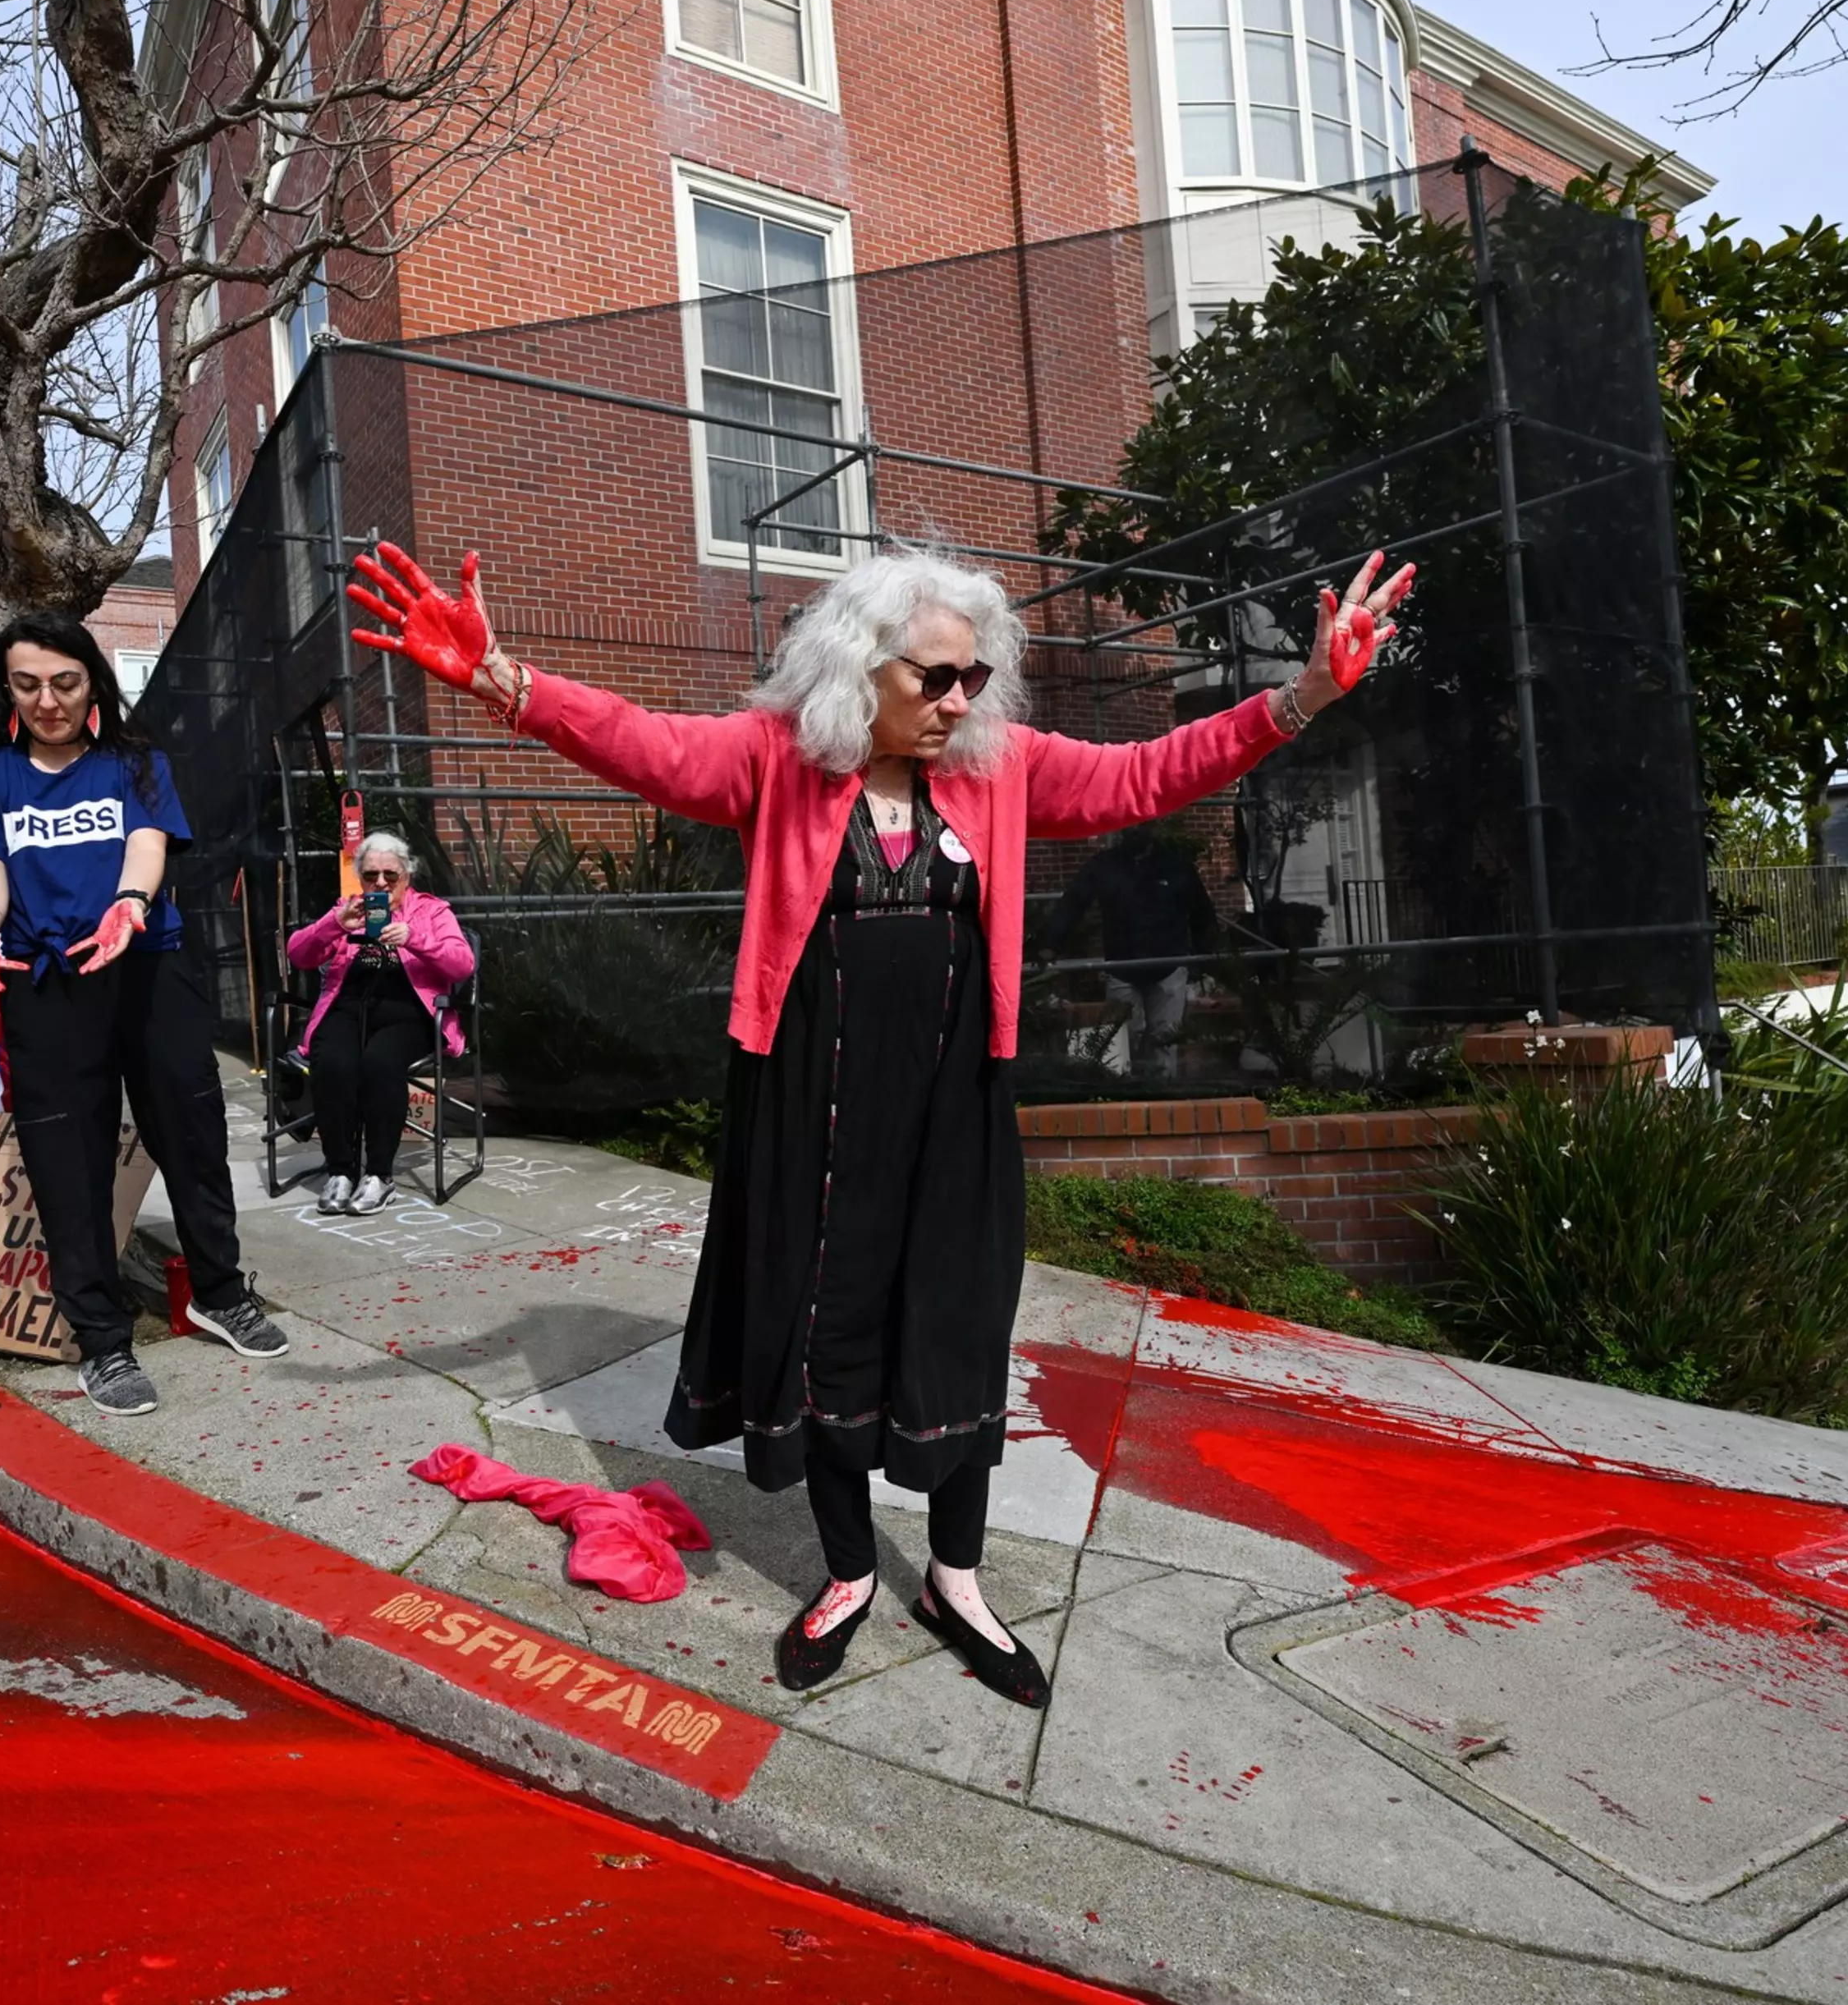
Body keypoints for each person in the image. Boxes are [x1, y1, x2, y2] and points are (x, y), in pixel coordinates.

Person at [349, 539, 1405, 1703]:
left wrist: (1300, 694)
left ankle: (956, 1581)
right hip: (814, 1106)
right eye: (935, 678)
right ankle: (848, 1571)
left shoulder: (1001, 772)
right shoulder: (780, 760)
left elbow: (1147, 775)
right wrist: (505, 676)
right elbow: (644, 743)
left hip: (954, 1111)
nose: (962, 699)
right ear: (863, 673)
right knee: (828, 1331)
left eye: (974, 676)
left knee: (957, 1327)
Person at [0, 612, 287, 1419]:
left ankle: (217, 1293)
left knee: (191, 1134)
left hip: (150, 966)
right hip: (47, 983)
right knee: (68, 1160)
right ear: (7, 690)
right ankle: (103, 1340)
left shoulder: (135, 761)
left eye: (65, 681)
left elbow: (147, 847)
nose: (47, 699)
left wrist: (127, 905)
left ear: (92, 682)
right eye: (28, 684)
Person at [286, 831, 475, 1215]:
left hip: (409, 1013)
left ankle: (378, 1175)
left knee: (379, 1063)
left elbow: (462, 963)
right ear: (360, 878)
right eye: (371, 875)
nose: (381, 883)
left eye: (391, 875)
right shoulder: (347, 909)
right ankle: (340, 1170)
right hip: (349, 1008)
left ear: (407, 875)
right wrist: (335, 925)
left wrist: (415, 938)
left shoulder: (433, 911)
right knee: (334, 1062)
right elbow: (298, 954)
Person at [1039, 822, 1217, 1079]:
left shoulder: (1176, 866)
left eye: (1142, 825)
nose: (1135, 831)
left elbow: (1201, 911)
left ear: (1153, 827)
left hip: (1167, 966)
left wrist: (1208, 956)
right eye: (1129, 825)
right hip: (1122, 966)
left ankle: (1165, 1098)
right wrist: (1050, 945)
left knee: (1165, 1039)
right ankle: (1126, 1094)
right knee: (1124, 1038)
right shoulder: (1104, 865)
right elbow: (1073, 903)